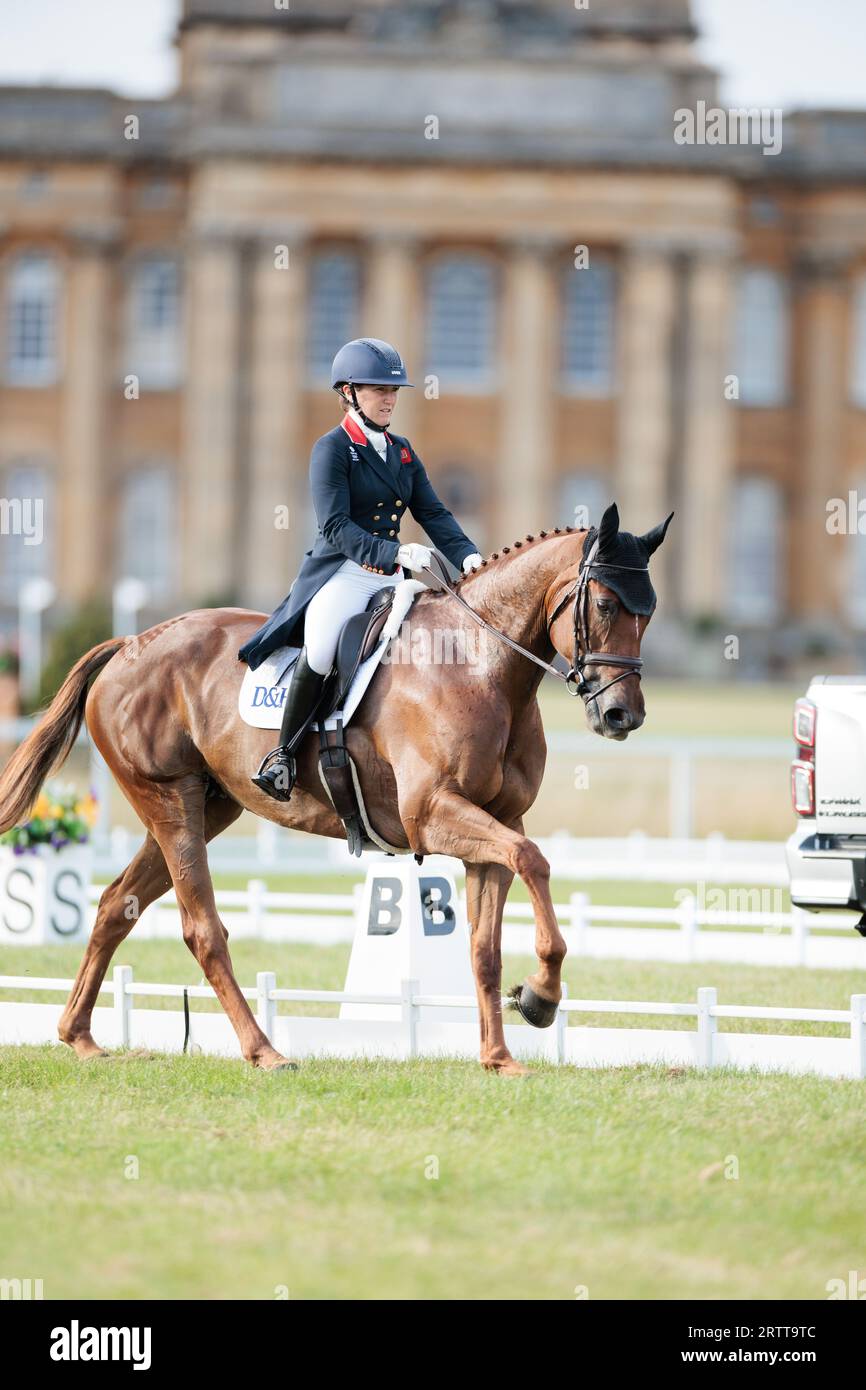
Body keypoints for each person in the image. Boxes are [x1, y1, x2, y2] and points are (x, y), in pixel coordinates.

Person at [238, 336, 483, 802]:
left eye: (393, 391)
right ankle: (283, 756)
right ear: (348, 392)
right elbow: (334, 527)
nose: (389, 398)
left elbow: (432, 513)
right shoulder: (331, 449)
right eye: (377, 389)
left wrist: (468, 555)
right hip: (344, 574)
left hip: (391, 576)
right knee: (322, 650)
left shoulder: (402, 450)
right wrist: (394, 554)